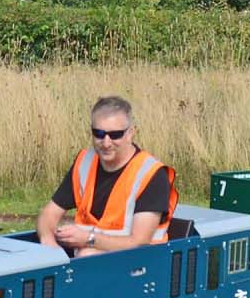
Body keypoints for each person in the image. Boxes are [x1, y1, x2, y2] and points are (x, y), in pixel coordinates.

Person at [37, 96, 179, 255]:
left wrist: (88, 239)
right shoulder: (85, 162)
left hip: (140, 265)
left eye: (115, 135)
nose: (106, 143)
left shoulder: (151, 173)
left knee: (87, 255)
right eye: (98, 133)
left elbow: (139, 242)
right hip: (93, 259)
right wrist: (48, 240)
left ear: (131, 133)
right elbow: (49, 213)